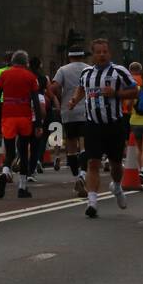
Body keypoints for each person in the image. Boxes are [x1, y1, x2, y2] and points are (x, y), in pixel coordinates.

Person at [68, 38, 138, 218]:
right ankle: (92, 202)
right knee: (93, 162)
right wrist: (75, 99)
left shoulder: (118, 71)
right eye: (98, 52)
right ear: (93, 54)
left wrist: (116, 93)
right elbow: (81, 88)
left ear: (109, 53)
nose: (102, 55)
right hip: (92, 124)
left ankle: (117, 187)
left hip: (114, 124)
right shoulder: (86, 72)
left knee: (115, 163)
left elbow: (134, 90)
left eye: (104, 52)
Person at [0, 51, 40, 199]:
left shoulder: (4, 75)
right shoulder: (31, 77)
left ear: (13, 62)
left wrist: (1, 109)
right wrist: (38, 122)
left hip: (8, 116)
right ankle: (22, 187)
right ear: (26, 63)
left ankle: (5, 172)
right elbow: (36, 101)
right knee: (24, 152)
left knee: (10, 151)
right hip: (25, 117)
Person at [50, 49, 90, 197]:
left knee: (71, 147)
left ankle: (76, 178)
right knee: (85, 146)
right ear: (82, 55)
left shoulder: (63, 70)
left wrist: (61, 97)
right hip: (86, 111)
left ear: (69, 56)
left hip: (69, 111)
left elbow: (53, 87)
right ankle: (83, 176)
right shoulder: (89, 69)